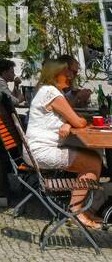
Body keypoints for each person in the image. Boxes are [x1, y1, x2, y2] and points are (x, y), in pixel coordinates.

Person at [25, 59, 103, 229]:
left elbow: (70, 119)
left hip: (37, 149)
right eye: (65, 73)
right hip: (41, 151)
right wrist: (71, 122)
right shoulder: (52, 93)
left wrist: (68, 123)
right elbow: (79, 122)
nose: (69, 76)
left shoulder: (47, 90)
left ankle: (81, 209)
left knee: (93, 158)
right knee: (93, 163)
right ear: (55, 75)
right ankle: (76, 212)